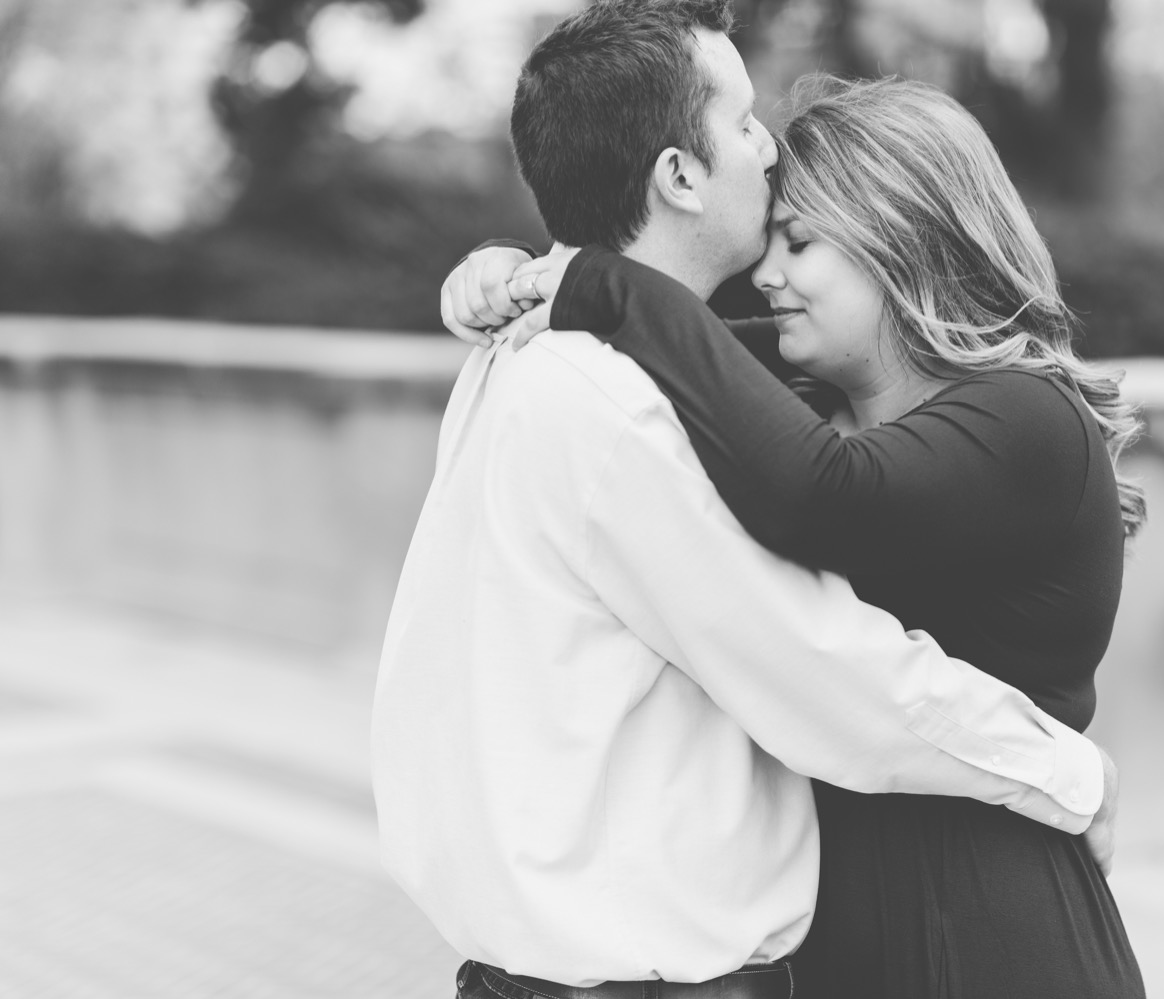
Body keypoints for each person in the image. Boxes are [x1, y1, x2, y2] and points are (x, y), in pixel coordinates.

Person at [374, 4, 1118, 999]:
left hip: (974, 922)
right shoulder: (616, 399)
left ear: (903, 245)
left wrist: (551, 276)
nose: (763, 150)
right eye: (744, 124)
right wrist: (1072, 776)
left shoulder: (582, 366)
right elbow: (819, 670)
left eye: (801, 243)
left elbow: (790, 457)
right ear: (679, 175)